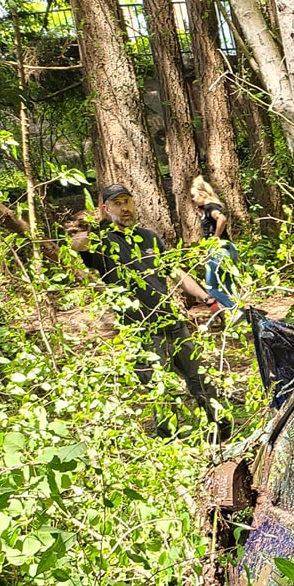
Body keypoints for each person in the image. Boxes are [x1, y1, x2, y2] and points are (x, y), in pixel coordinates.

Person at [78, 183, 218, 420]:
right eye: (117, 204)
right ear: (106, 208)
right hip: (141, 331)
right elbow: (77, 246)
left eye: (127, 202)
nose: (124, 208)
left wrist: (207, 297)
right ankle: (169, 443)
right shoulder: (102, 245)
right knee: (160, 392)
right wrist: (90, 227)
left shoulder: (149, 237)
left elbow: (176, 272)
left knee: (200, 378)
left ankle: (220, 426)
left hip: (172, 323)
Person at [189, 173, 241, 316]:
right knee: (229, 285)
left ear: (202, 194)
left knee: (211, 287)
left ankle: (235, 311)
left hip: (219, 250)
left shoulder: (210, 207)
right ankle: (239, 316)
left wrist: (215, 238)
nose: (193, 199)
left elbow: (222, 219)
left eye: (194, 196)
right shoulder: (209, 209)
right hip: (229, 248)